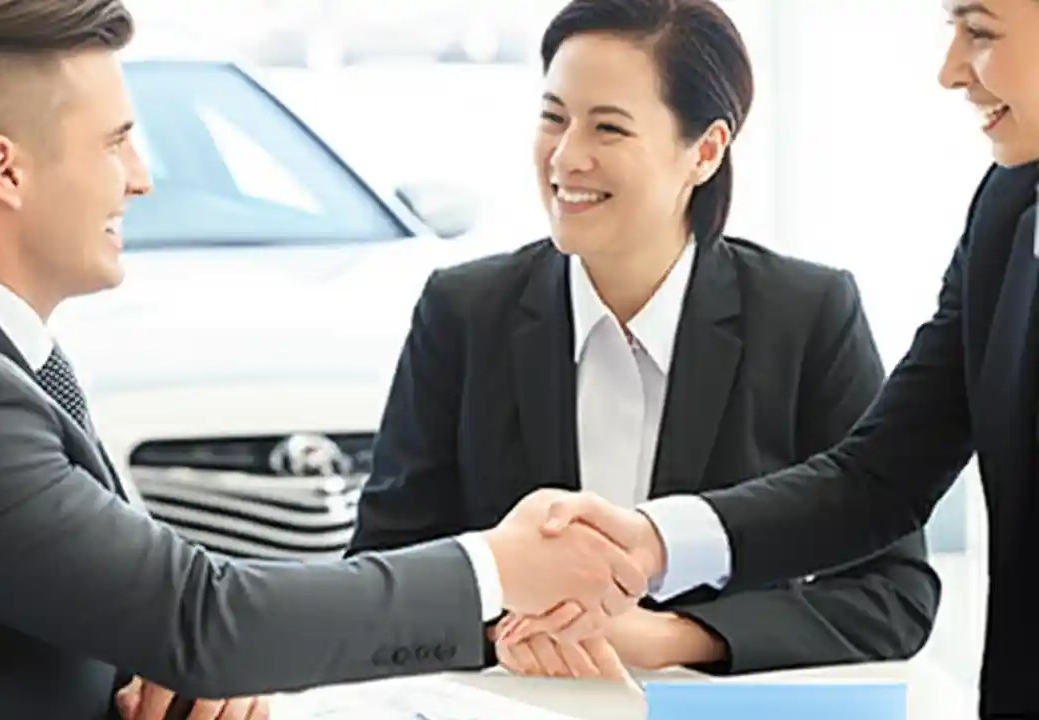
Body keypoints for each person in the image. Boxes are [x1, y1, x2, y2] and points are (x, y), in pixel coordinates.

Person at [0, 1, 649, 718]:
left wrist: (151, 666)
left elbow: (140, 608)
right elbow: (200, 613)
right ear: (6, 170)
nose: (140, 176)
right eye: (115, 142)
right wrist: (497, 568)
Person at [346, 0, 940, 681]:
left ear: (705, 151)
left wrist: (675, 637)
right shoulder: (463, 311)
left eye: (609, 128)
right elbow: (383, 573)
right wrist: (502, 633)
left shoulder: (806, 314)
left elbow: (894, 595)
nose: (567, 157)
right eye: (553, 117)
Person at [517, 0, 1039, 716]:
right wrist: (655, 541)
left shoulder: (808, 307)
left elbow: (892, 591)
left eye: (979, 33)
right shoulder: (1010, 210)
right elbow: (881, 477)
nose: (951, 71)